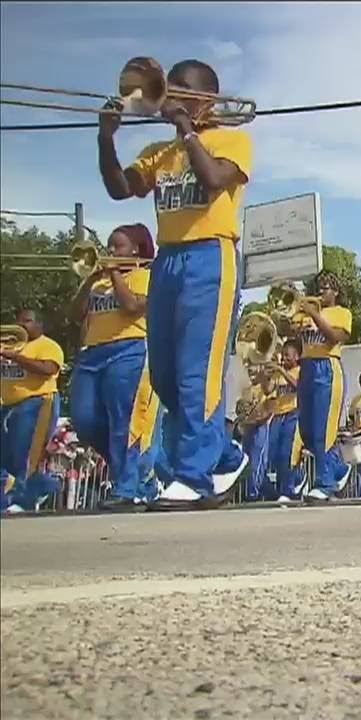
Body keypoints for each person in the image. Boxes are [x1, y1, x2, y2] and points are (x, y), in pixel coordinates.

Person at [98, 58, 249, 510]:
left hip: (211, 255)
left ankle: (193, 475)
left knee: (195, 372)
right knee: (164, 374)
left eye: (182, 89)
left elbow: (213, 179)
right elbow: (120, 188)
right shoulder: (159, 153)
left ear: (207, 97)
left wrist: (187, 129)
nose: (170, 95)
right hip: (167, 258)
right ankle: (223, 456)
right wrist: (107, 139)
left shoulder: (232, 139)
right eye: (171, 88)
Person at [65, 224, 162, 511]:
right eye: (108, 246)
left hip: (130, 350)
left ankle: (130, 487)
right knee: (84, 419)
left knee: (125, 422)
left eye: (117, 247)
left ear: (135, 249)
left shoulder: (146, 276)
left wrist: (116, 273)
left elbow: (132, 306)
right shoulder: (98, 282)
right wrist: (91, 279)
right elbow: (74, 314)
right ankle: (135, 473)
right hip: (92, 353)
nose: (110, 252)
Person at [290, 270, 352, 501]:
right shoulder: (305, 312)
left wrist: (314, 315)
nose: (320, 291)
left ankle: (324, 483)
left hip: (327, 367)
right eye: (317, 287)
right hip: (306, 367)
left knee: (324, 430)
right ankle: (338, 469)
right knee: (307, 430)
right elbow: (291, 333)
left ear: (335, 291)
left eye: (325, 287)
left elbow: (335, 337)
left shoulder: (341, 312)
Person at [0, 309, 64, 514]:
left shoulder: (48, 346)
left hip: (38, 403)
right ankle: (44, 485)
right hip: (8, 406)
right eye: (18, 321)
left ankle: (24, 500)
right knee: (7, 457)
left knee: (25, 454)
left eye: (27, 321)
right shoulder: (8, 346)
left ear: (39, 325)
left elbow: (48, 369)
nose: (21, 325)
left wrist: (16, 357)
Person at [267, 340, 303, 503]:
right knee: (273, 454)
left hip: (292, 414)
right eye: (284, 356)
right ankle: (295, 480)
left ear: (296, 356)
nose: (284, 359)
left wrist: (281, 370)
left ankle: (288, 489)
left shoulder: (300, 371)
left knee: (286, 454)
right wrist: (265, 374)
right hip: (277, 415)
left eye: (288, 356)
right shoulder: (278, 374)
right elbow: (267, 389)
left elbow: (298, 386)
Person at [237, 368, 275, 502]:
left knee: (257, 462)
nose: (252, 375)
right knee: (248, 462)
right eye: (250, 371)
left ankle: (253, 493)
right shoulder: (247, 389)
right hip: (248, 428)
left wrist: (256, 419)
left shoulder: (267, 387)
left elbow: (269, 409)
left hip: (261, 428)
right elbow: (240, 409)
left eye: (254, 371)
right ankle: (269, 491)